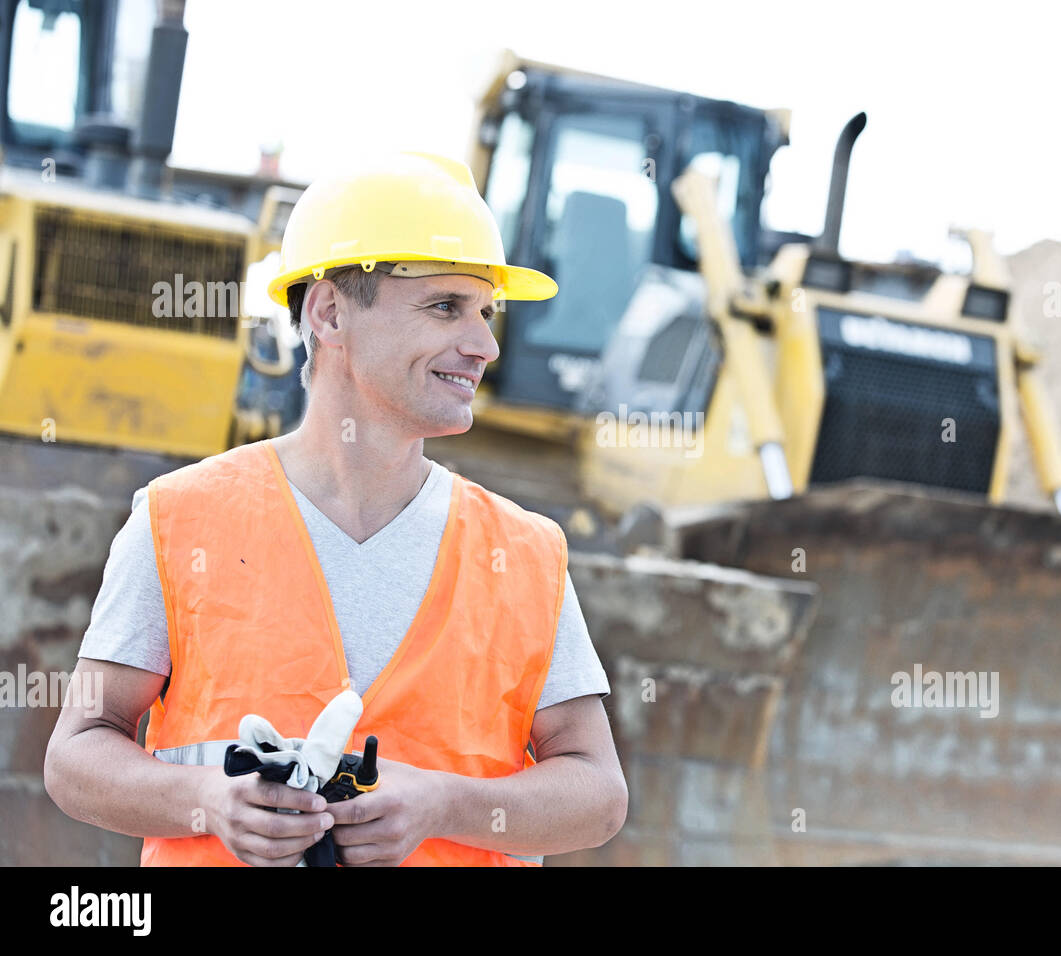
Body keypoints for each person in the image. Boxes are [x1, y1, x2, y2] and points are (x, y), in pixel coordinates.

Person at [44, 152, 628, 866]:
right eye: (445, 307)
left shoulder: (525, 553)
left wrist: (447, 803)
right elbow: (76, 757)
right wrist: (212, 800)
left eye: (484, 312)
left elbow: (599, 795)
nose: (482, 345)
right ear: (329, 313)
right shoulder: (179, 518)